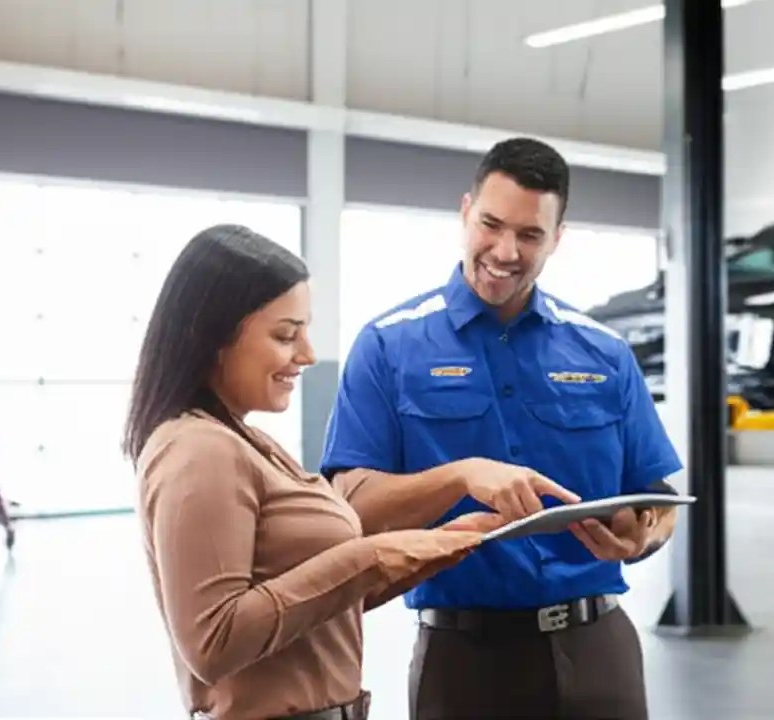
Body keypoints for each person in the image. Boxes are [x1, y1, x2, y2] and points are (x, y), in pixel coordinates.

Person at [320, 137, 685, 719]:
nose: (506, 251)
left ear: (557, 238)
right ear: (465, 212)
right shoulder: (387, 347)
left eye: (530, 235)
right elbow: (351, 506)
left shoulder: (606, 353)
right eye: (491, 225)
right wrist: (462, 476)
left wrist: (643, 537)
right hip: (465, 661)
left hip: (600, 650)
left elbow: (658, 500)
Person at [123, 225, 498, 720]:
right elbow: (214, 640)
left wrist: (436, 547)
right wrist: (374, 555)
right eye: (285, 335)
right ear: (213, 336)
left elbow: (315, 604)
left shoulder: (244, 440)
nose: (307, 355)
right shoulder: (199, 449)